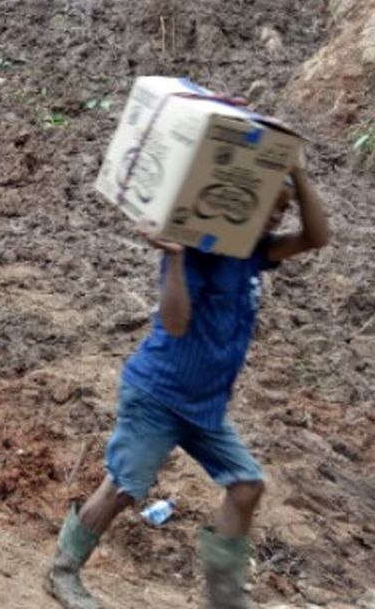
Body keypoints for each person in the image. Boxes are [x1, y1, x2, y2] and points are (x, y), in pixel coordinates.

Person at [46, 158, 329, 609]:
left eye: (284, 209)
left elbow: (317, 237)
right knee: (124, 487)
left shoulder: (254, 253)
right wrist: (174, 258)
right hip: (157, 394)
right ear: (245, 203)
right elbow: (176, 325)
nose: (278, 217)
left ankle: (225, 600)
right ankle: (63, 571)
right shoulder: (199, 249)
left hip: (205, 407)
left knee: (247, 485)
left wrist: (298, 173)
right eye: (271, 208)